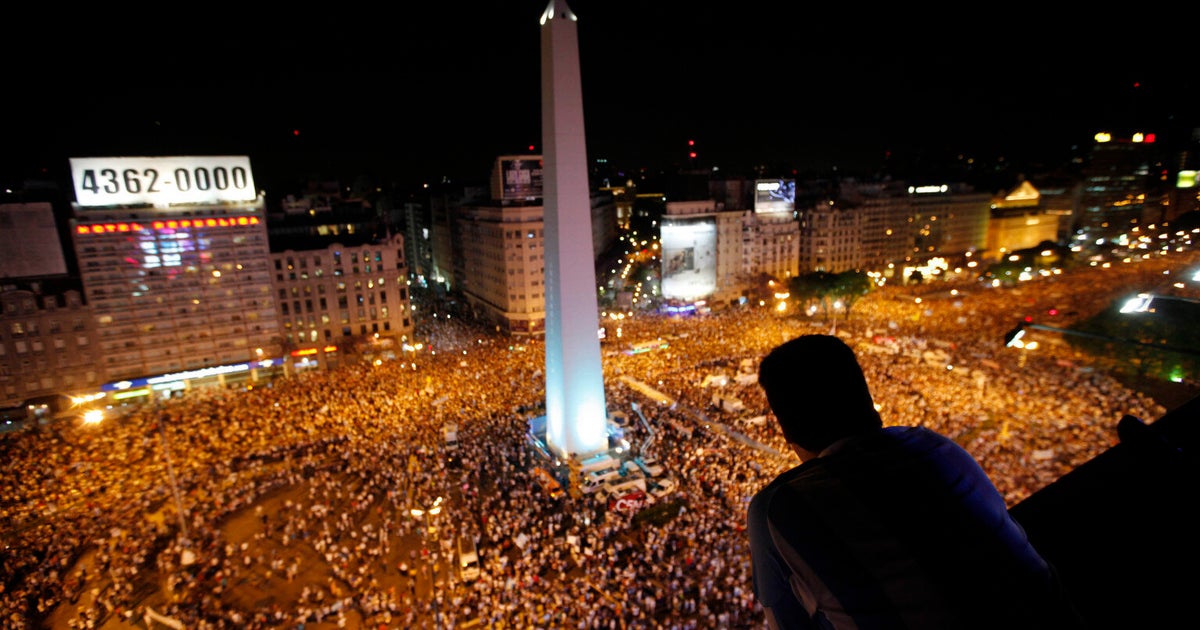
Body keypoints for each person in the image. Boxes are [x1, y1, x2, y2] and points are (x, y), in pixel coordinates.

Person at [747, 334, 1083, 629]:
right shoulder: (939, 448)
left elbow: (788, 622)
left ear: (786, 429)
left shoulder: (778, 507)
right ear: (865, 397)